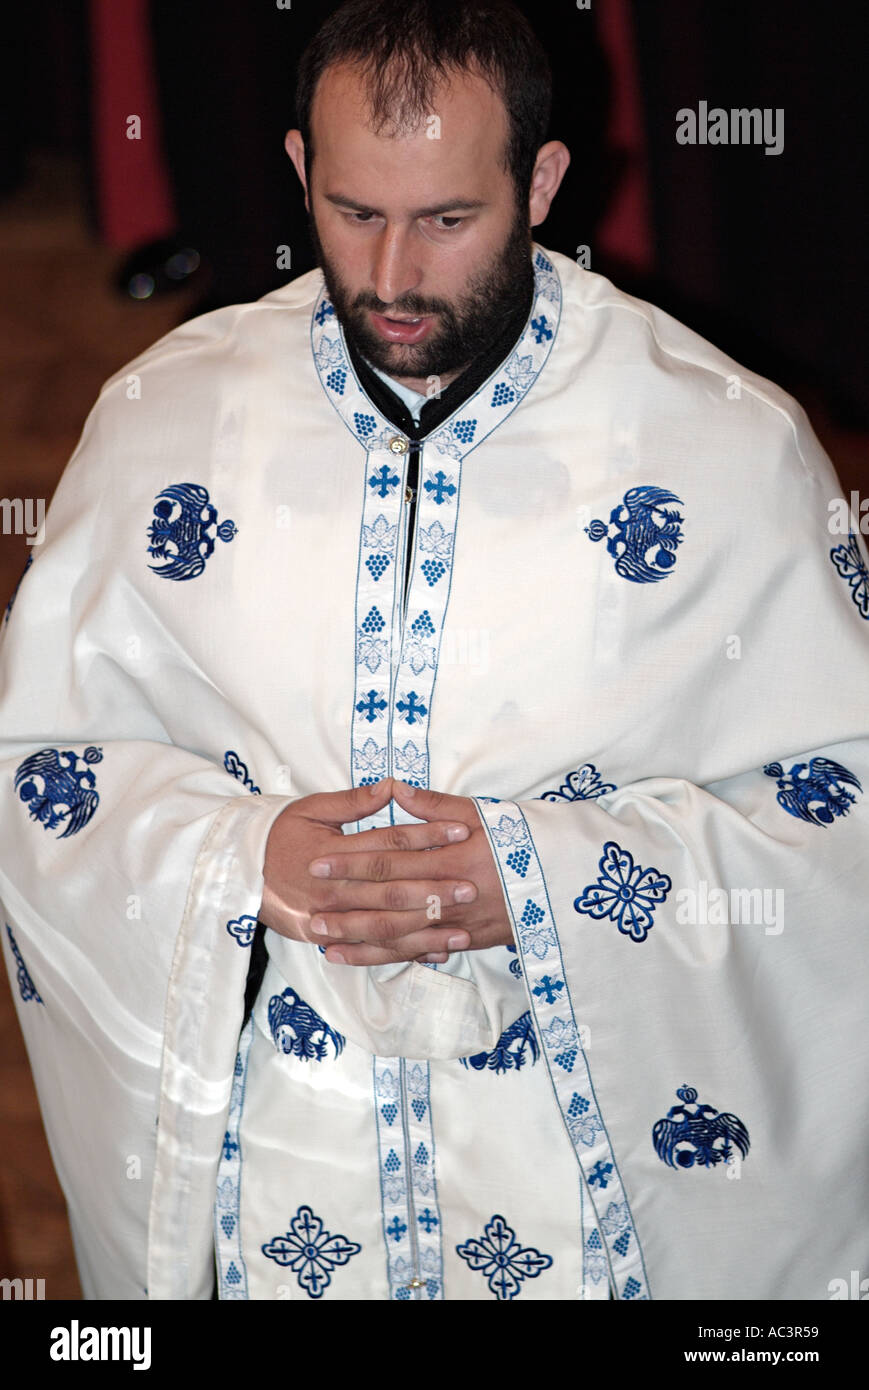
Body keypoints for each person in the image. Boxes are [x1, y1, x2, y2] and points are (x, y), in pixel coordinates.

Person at [2, 0, 867, 1302]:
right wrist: (240, 857)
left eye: (448, 220)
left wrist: (546, 878)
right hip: (283, 1167)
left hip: (585, 1207)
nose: (394, 276)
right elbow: (43, 765)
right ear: (299, 170)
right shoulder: (159, 425)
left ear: (541, 181)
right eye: (353, 211)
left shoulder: (726, 451)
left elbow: (835, 817)